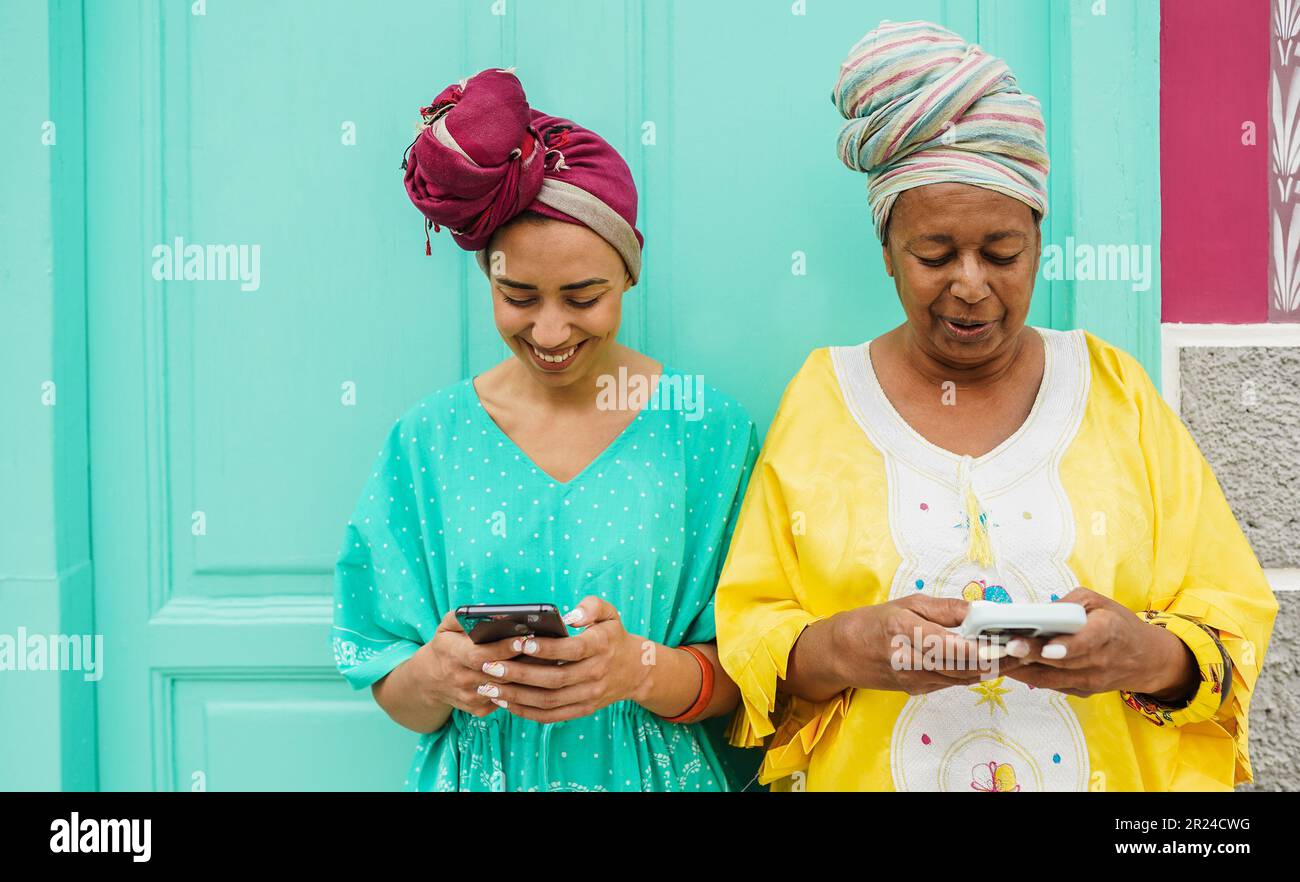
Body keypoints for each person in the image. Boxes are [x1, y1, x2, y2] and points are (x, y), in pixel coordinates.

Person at [714, 20, 1278, 791]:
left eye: (1003, 253)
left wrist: (1145, 656)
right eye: (934, 254)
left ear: (1039, 238)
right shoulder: (825, 399)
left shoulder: (1117, 395)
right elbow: (749, 640)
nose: (972, 284)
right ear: (886, 250)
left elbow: (1230, 619)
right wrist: (845, 647)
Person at [332, 68, 759, 791]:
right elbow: (396, 693)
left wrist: (637, 670)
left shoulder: (705, 429)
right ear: (486, 278)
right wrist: (435, 676)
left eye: (583, 296)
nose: (551, 330)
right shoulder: (428, 442)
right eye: (518, 296)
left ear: (627, 275)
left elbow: (754, 685)